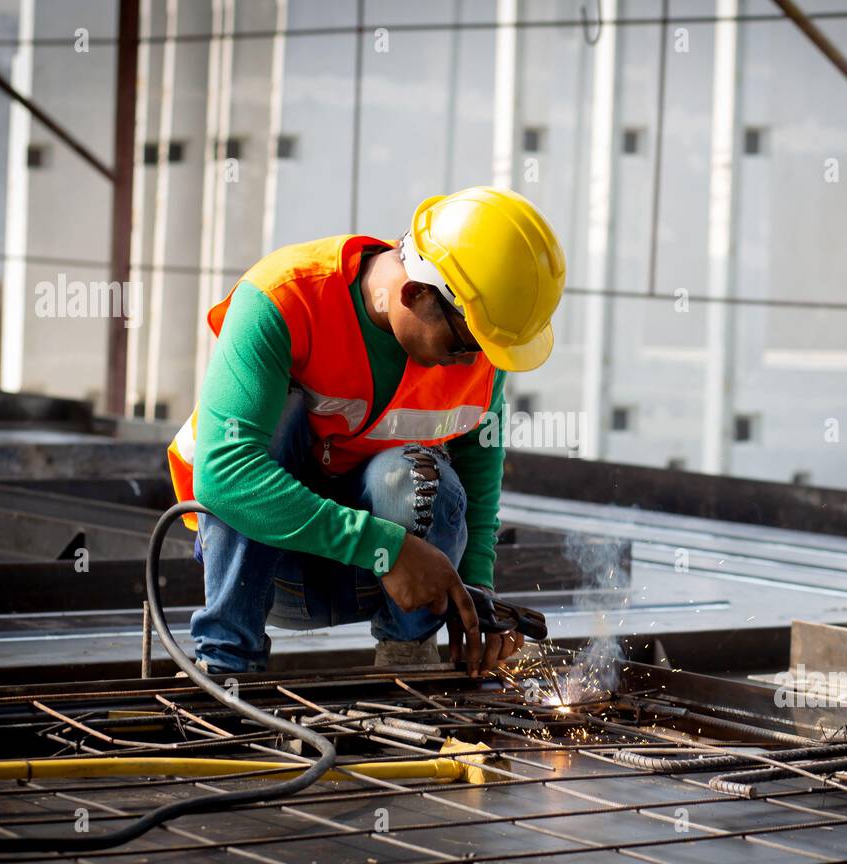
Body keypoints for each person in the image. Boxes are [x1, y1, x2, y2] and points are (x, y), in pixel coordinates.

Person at [166, 186, 566, 677]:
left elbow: (480, 471)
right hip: (267, 572)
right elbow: (224, 475)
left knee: (414, 477)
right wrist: (384, 547)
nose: (473, 361)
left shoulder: (480, 350)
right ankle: (228, 665)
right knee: (254, 443)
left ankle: (407, 661)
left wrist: (475, 593)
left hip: (382, 578)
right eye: (467, 344)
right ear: (414, 293)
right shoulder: (285, 298)